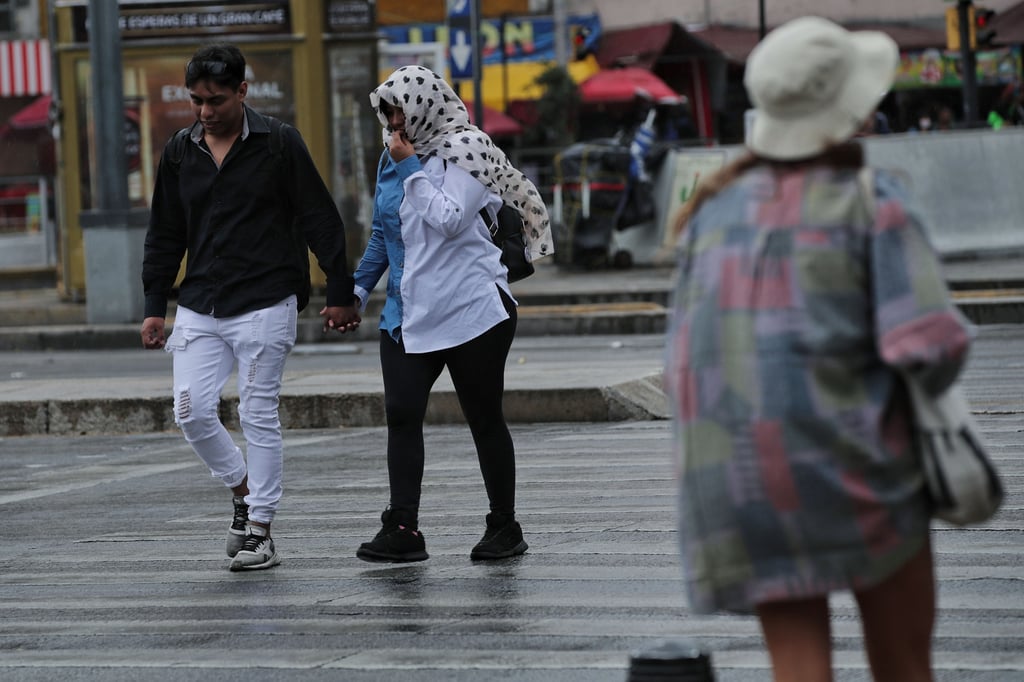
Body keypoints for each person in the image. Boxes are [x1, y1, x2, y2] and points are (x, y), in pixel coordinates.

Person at [665, 17, 972, 682]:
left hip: (740, 485)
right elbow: (931, 350)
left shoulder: (711, 215)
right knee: (903, 663)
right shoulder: (871, 205)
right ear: (853, 114)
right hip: (858, 476)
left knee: (799, 668)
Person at [140, 44, 361, 572]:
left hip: (266, 298)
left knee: (257, 412)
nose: (205, 111)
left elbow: (320, 218)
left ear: (243, 91)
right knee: (190, 412)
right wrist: (154, 304)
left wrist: (339, 291)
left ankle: (261, 528)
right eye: (196, 100)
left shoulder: (279, 143)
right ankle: (242, 492)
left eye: (215, 100)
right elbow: (165, 232)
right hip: (199, 301)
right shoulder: (179, 150)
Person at [353, 65, 553, 563]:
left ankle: (504, 526)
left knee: (483, 417)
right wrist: (356, 289)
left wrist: (408, 169)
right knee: (401, 414)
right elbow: (384, 231)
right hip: (409, 311)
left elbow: (447, 219)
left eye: (398, 110)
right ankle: (403, 527)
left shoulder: (467, 148)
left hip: (473, 310)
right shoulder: (394, 157)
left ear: (423, 105)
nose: (393, 122)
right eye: (387, 113)